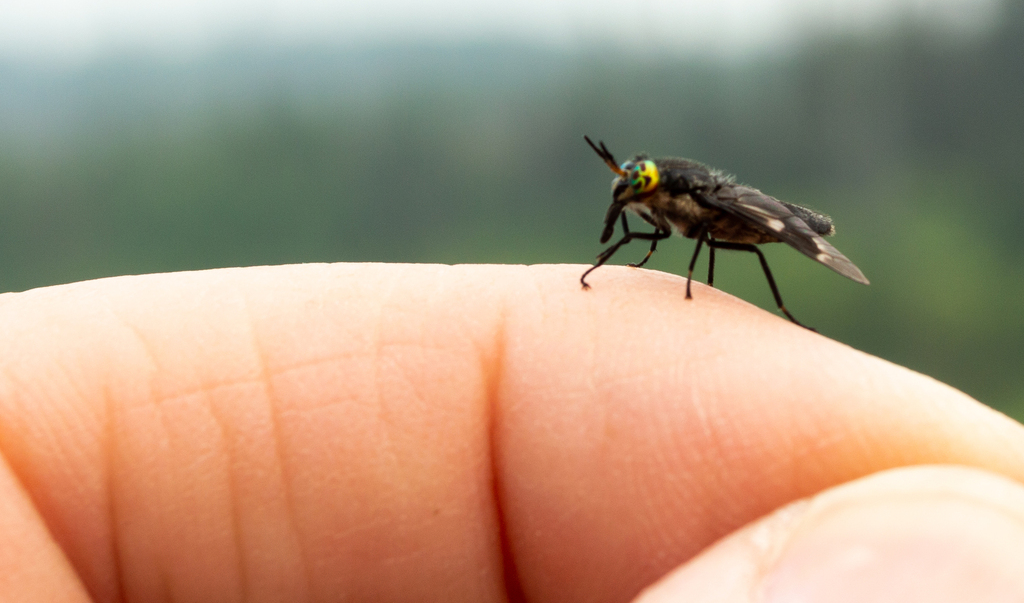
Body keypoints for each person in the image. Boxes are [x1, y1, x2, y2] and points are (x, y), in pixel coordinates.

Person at [1, 264, 1023, 602]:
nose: (633, 200)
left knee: (738, 247)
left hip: (751, 233)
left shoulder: (692, 208)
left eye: (641, 190)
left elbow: (720, 223)